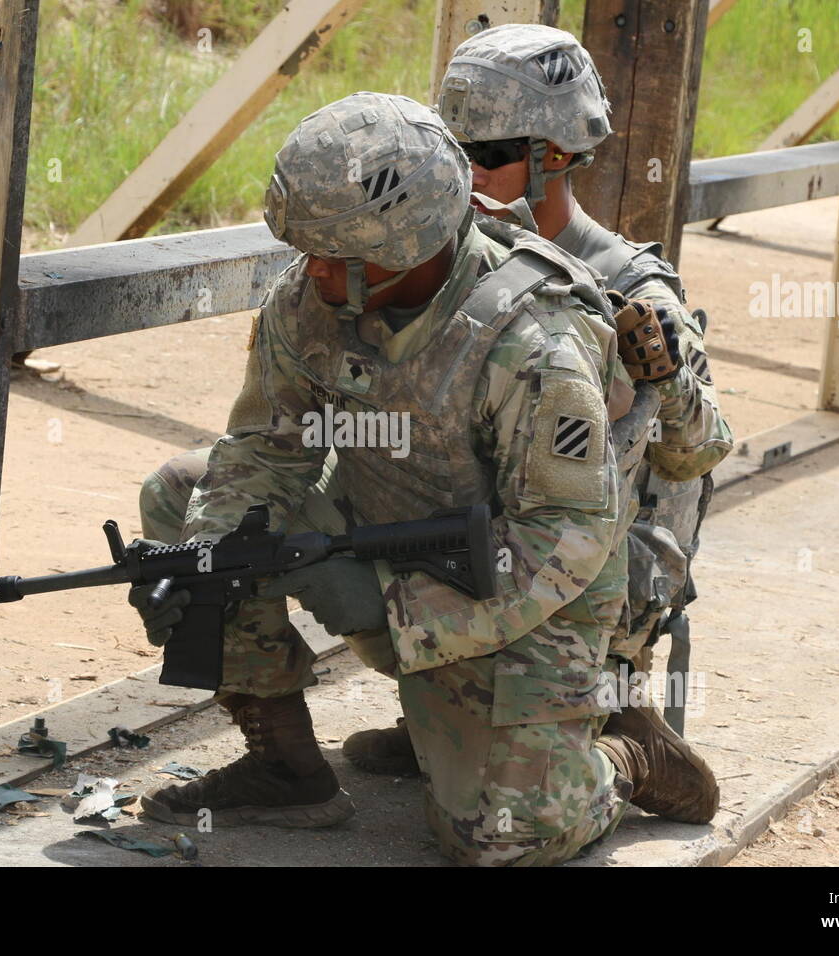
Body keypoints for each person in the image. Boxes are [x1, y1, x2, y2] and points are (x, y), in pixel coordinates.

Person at [132, 91, 717, 866]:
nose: (309, 272)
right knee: (188, 497)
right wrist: (208, 559)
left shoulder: (533, 340)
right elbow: (267, 448)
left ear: (403, 246)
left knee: (499, 839)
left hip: (534, 590)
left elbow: (567, 539)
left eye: (331, 255)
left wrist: (392, 607)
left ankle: (626, 753)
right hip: (386, 517)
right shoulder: (315, 298)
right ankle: (285, 766)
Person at [348, 26, 734, 783]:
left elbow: (698, 451)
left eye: (486, 156)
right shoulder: (447, 263)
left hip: (584, 579)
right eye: (452, 152)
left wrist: (665, 375)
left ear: (552, 157)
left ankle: (620, 729)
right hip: (480, 552)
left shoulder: (630, 286)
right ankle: (444, 715)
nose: (466, 173)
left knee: (499, 830)